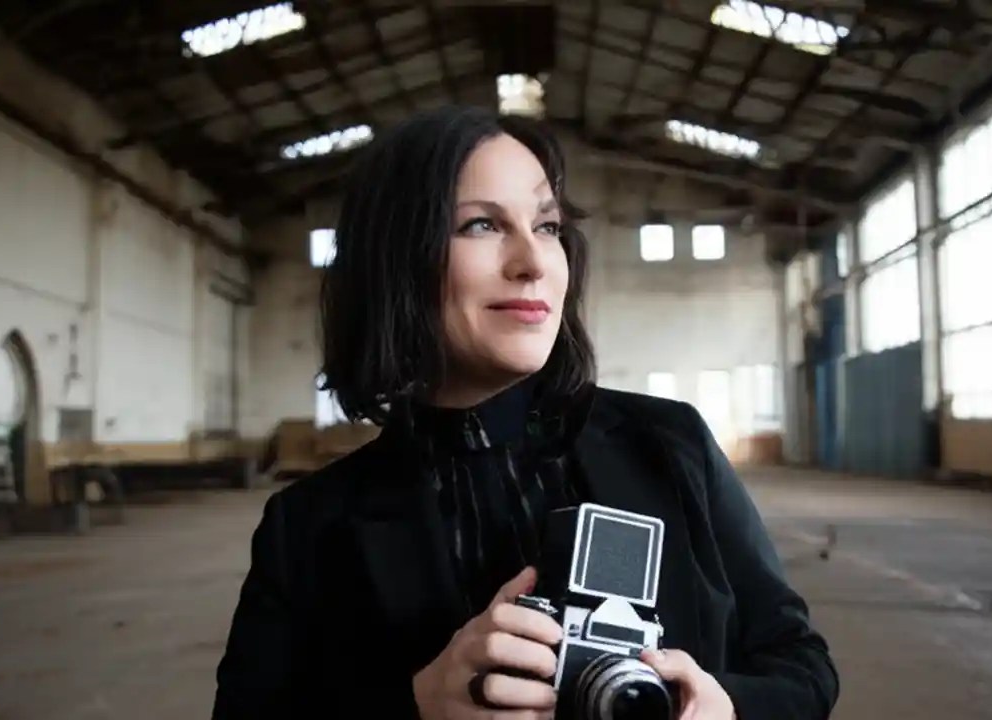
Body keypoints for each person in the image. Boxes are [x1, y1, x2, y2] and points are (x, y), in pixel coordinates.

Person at [212, 105, 838, 719]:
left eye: (546, 226)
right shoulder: (307, 529)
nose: (533, 263)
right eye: (481, 226)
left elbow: (800, 666)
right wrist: (415, 708)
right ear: (395, 258)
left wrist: (725, 707)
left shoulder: (671, 445)